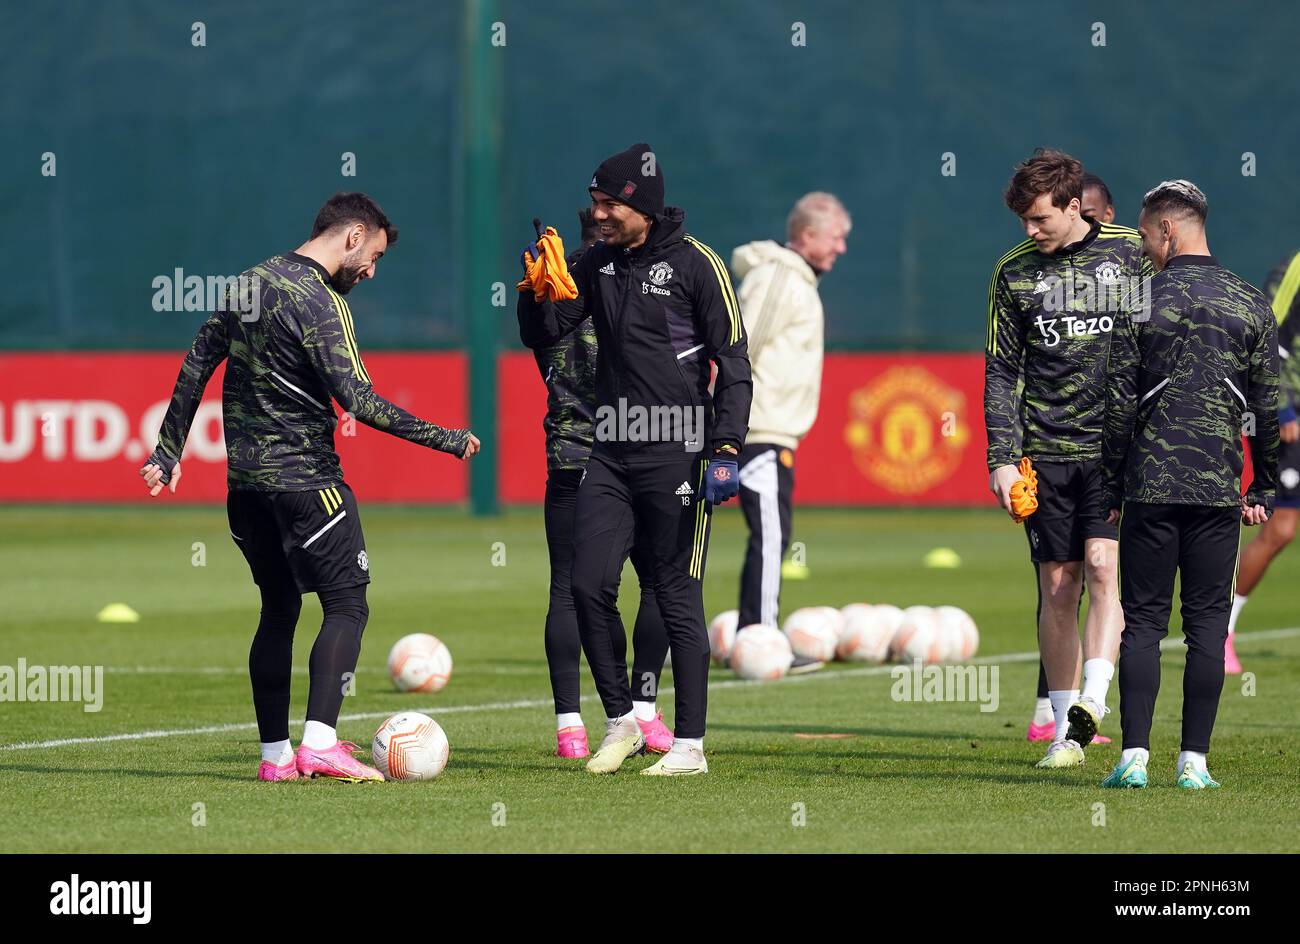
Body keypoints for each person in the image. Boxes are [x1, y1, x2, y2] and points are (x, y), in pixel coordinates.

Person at [139, 192, 478, 782]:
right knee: (347, 602)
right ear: (351, 235)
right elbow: (360, 401)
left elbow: (198, 360)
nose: (371, 270)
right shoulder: (321, 302)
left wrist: (168, 452)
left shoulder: (248, 281)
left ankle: (275, 758)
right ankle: (319, 743)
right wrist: (445, 438)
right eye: (371, 255)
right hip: (308, 483)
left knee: (278, 609)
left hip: (244, 490)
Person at [518, 143, 752, 776]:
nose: (596, 214)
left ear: (640, 206)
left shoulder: (698, 265)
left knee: (675, 592)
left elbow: (733, 363)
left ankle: (690, 747)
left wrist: (727, 447)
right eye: (594, 203)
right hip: (611, 448)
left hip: (679, 447)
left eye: (607, 204)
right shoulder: (597, 262)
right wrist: (534, 293)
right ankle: (621, 719)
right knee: (587, 584)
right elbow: (545, 332)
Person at [1099, 179, 1278, 790]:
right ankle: (1194, 763)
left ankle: (1133, 758)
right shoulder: (1251, 301)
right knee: (1207, 624)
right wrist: (1263, 488)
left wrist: (1110, 486)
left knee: (1143, 622)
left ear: (1168, 229)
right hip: (1216, 493)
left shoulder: (1139, 300)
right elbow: (1267, 404)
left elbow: (1119, 404)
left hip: (1148, 488)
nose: (1146, 248)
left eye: (1147, 236)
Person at [984, 149, 1147, 769]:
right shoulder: (1013, 272)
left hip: (1114, 451)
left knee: (1104, 568)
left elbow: (1164, 337)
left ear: (1074, 207)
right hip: (1044, 453)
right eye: (1023, 220)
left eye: (1039, 219)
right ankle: (1058, 726)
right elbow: (1000, 370)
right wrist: (1002, 457)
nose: (1029, 232)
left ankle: (1088, 714)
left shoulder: (1133, 253)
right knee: (1059, 586)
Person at [531, 208, 672, 758]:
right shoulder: (632, 292)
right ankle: (642, 710)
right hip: (632, 458)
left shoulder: (554, 296)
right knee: (659, 581)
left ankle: (570, 725)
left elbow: (538, 340)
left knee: (567, 587)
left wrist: (535, 297)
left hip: (567, 458)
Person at [730, 193, 849, 671]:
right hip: (756, 429)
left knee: (772, 534)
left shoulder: (798, 279)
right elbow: (738, 346)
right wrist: (726, 418)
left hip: (770, 431)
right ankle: (759, 639)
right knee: (771, 536)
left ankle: (749, 630)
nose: (841, 247)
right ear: (807, 235)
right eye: (836, 237)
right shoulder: (778, 275)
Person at [1224, 248, 1300, 672]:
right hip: (1293, 414)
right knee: (1281, 530)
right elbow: (1267, 337)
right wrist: (1283, 407)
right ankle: (1223, 631)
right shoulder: (1295, 270)